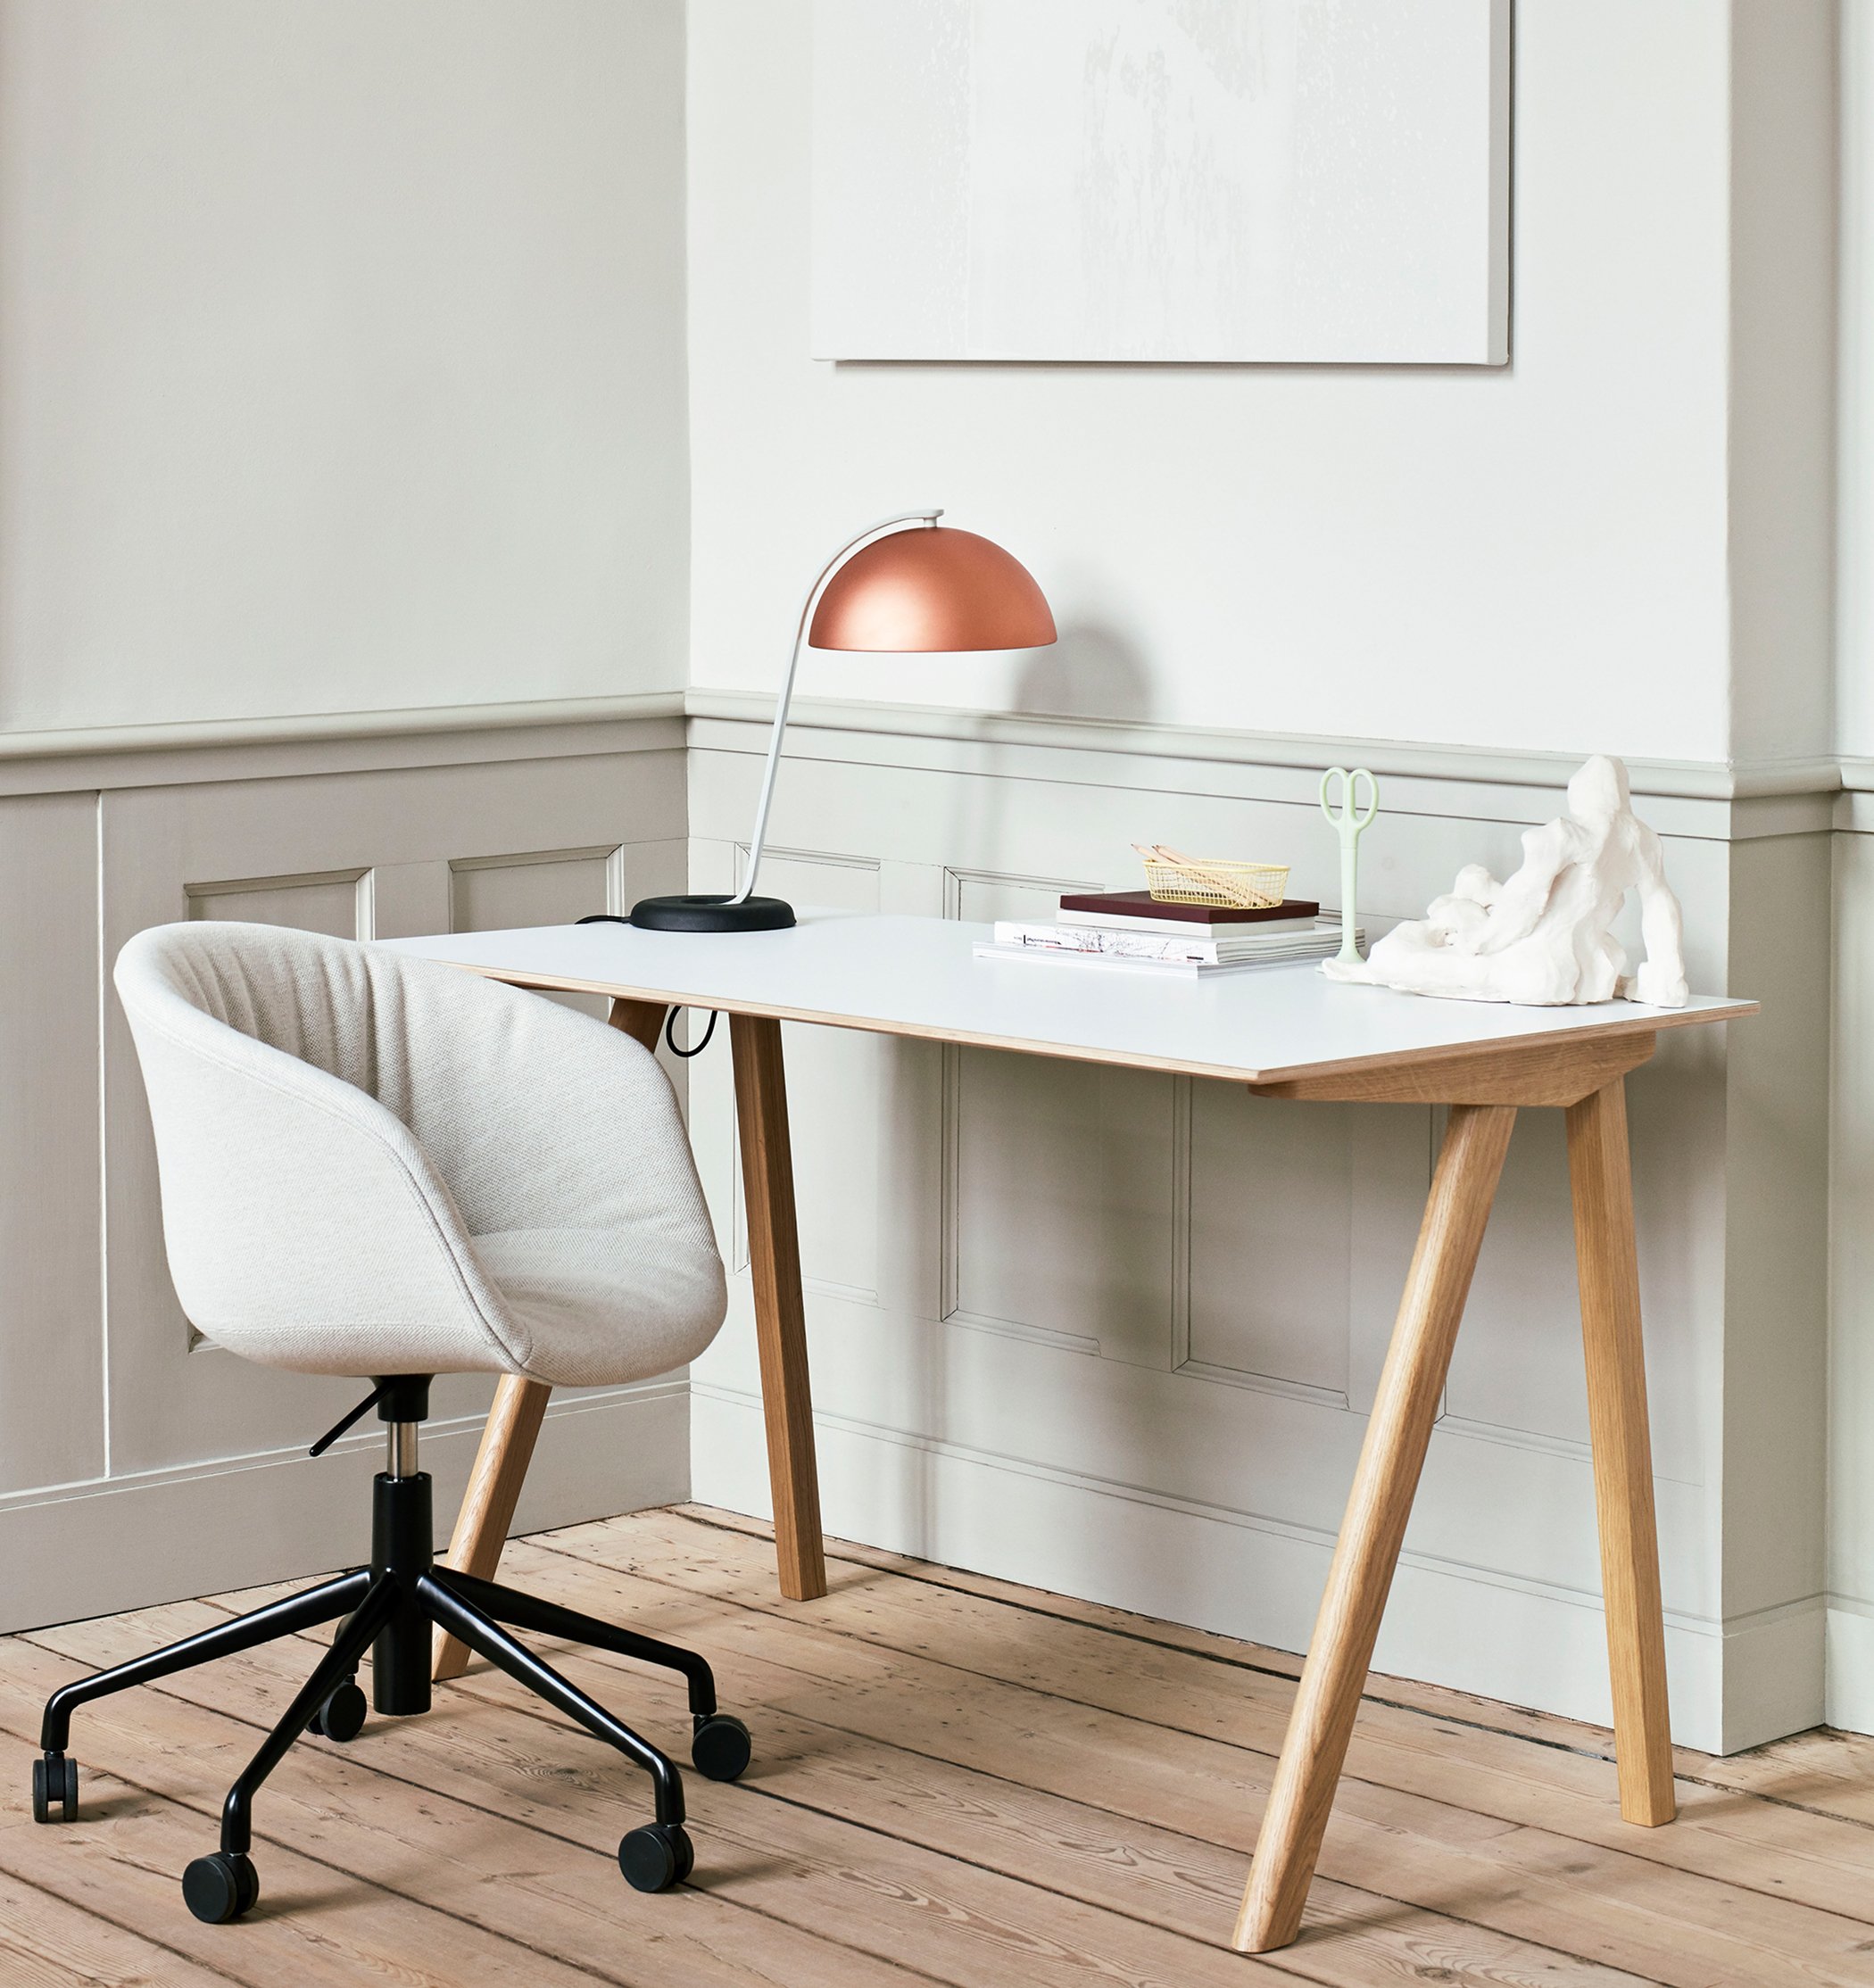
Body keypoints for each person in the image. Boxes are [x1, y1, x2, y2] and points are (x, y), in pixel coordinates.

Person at [1323, 755, 1687, 1007]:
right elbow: (1661, 905)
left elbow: (1524, 903)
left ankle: (1371, 970)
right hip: (1593, 968)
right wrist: (1667, 980)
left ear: (1579, 794)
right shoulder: (1641, 842)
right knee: (1454, 912)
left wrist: (1478, 940)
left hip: (1534, 970)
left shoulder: (1564, 837)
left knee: (1391, 955)